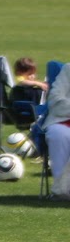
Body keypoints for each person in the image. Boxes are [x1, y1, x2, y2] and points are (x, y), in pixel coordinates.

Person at [44, 67, 70, 198]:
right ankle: (62, 190)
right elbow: (55, 99)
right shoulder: (68, 69)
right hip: (64, 117)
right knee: (57, 134)